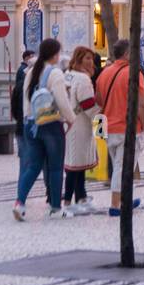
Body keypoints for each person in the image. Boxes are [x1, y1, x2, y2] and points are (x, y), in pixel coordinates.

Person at [12, 39, 74, 220]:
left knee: (33, 166)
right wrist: (71, 119)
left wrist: (27, 121)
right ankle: (55, 207)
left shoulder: (30, 72)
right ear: (55, 54)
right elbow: (62, 101)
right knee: (55, 168)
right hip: (51, 125)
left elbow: (26, 100)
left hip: (30, 125)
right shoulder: (55, 73)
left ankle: (20, 202)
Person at [95, 40, 144, 216]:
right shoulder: (133, 73)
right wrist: (143, 124)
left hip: (109, 127)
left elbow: (99, 100)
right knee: (122, 167)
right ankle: (115, 205)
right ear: (127, 54)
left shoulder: (104, 73)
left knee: (121, 165)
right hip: (128, 128)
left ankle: (125, 198)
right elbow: (141, 103)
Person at [61, 47, 99, 213]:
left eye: (91, 58)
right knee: (75, 165)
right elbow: (88, 105)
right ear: (78, 59)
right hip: (80, 125)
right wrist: (102, 115)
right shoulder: (83, 79)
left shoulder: (67, 74)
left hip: (67, 124)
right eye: (86, 58)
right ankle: (69, 202)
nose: (90, 62)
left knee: (76, 164)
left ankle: (81, 197)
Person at [10, 49, 35, 142]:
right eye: (32, 56)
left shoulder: (22, 69)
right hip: (23, 113)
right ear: (27, 58)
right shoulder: (23, 70)